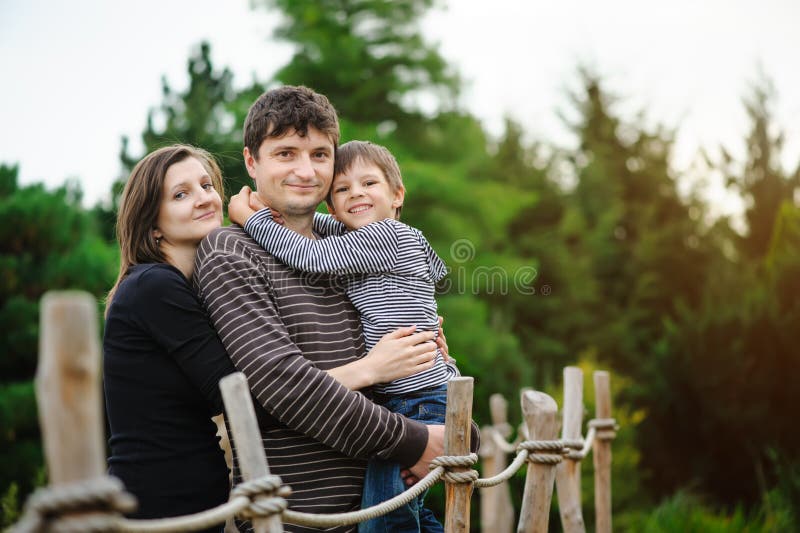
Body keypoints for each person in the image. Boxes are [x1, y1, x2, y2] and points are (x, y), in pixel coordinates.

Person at [194, 86, 450, 533]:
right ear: (252, 162)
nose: (305, 170)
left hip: (385, 489)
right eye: (286, 153)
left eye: (319, 154)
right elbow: (284, 386)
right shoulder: (230, 252)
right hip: (303, 518)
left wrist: (447, 435)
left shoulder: (352, 249)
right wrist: (415, 440)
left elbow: (434, 394)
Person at [102, 145, 236, 532]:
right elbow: (233, 391)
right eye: (181, 194)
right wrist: (364, 370)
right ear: (152, 224)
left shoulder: (181, 287)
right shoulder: (153, 286)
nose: (203, 198)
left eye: (207, 185)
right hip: (160, 509)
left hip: (189, 505)